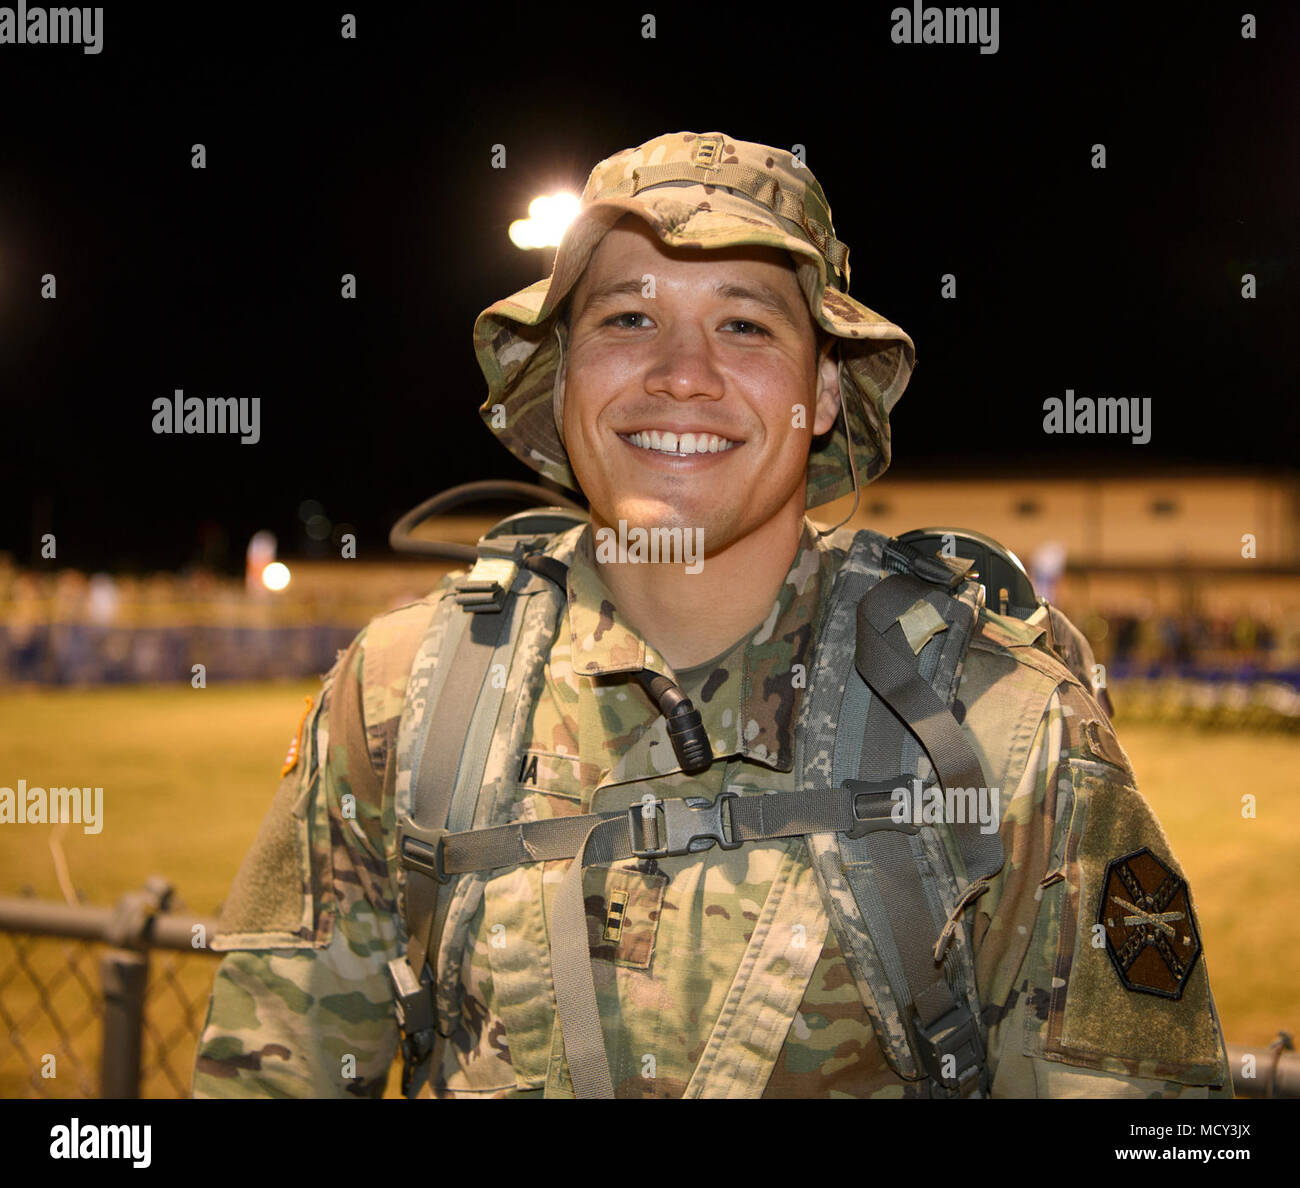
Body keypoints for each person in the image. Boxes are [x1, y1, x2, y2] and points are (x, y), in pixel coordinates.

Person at [191, 131, 1232, 1099]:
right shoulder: (405, 698)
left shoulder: (998, 728)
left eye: (743, 324)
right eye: (627, 319)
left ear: (822, 391)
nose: (681, 375)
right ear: (559, 382)